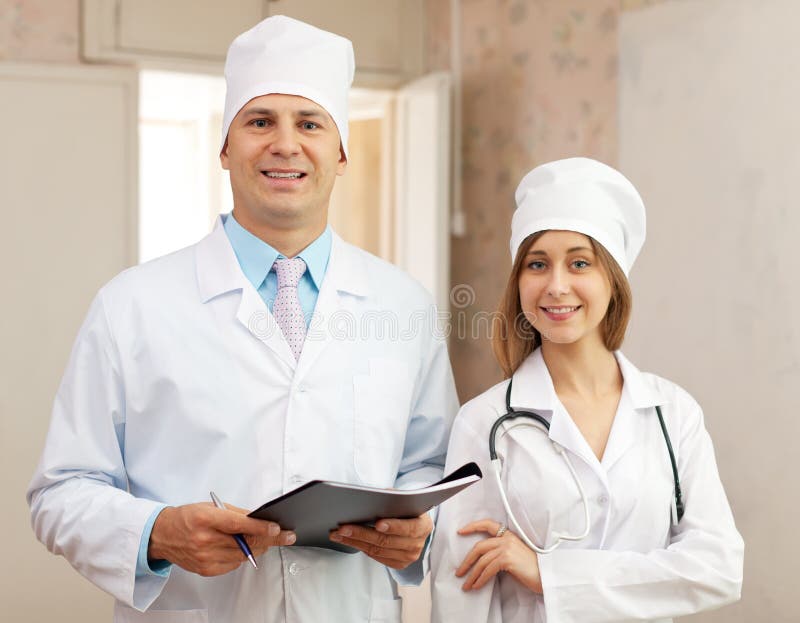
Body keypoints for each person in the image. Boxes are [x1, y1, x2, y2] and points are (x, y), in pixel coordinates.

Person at [27, 15, 458, 623]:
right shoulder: (132, 306)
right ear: (225, 150)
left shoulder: (403, 305)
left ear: (340, 154)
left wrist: (425, 529)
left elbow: (430, 465)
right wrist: (156, 531)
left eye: (309, 123)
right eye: (260, 122)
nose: (286, 144)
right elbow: (60, 491)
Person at [430, 157, 743, 622]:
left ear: (612, 282)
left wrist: (550, 575)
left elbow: (719, 568)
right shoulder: (484, 422)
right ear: (519, 283)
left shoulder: (672, 413)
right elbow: (461, 598)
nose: (556, 286)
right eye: (537, 264)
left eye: (580, 263)